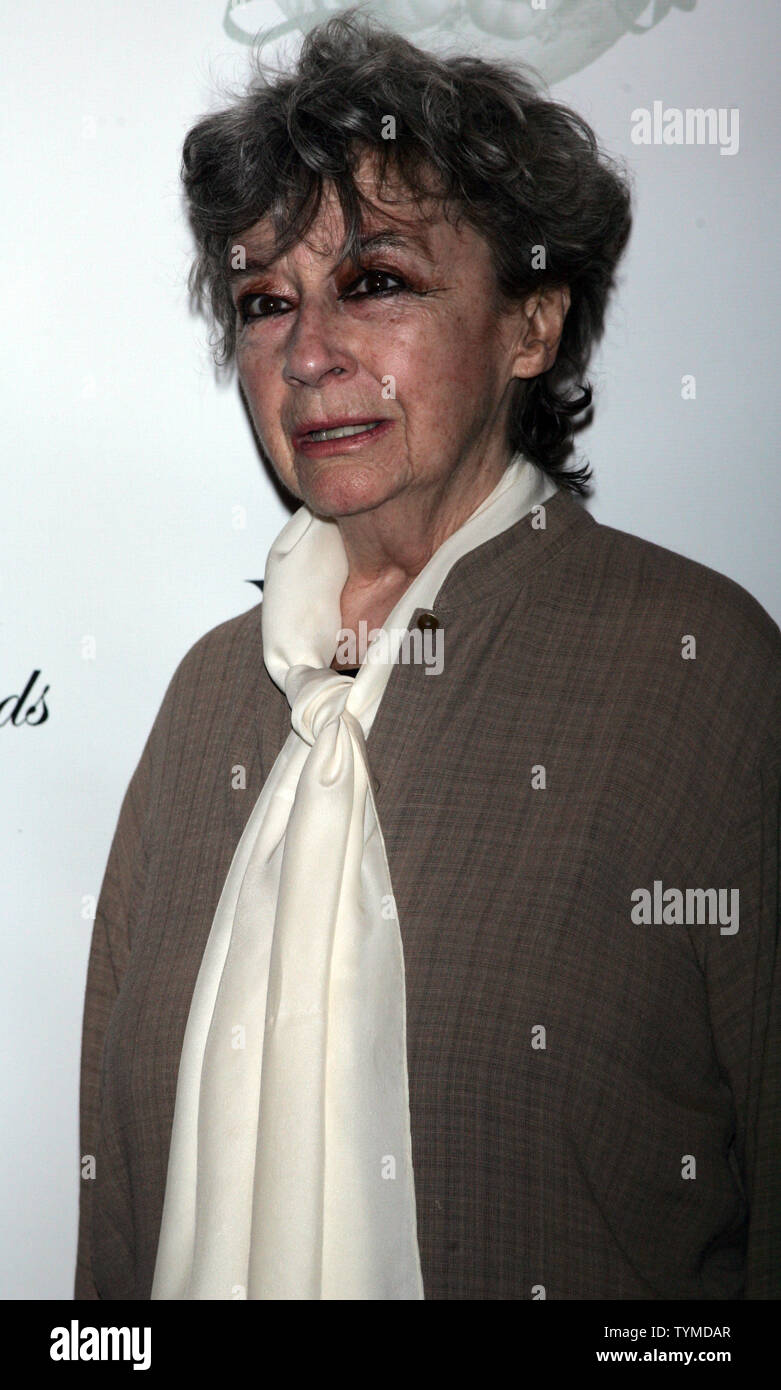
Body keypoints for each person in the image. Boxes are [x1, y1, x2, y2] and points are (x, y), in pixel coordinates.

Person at [75, 11, 780, 1300]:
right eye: (264, 302)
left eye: (377, 282)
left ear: (533, 323)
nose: (307, 354)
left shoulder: (703, 678)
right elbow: (114, 1227)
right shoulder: (205, 706)